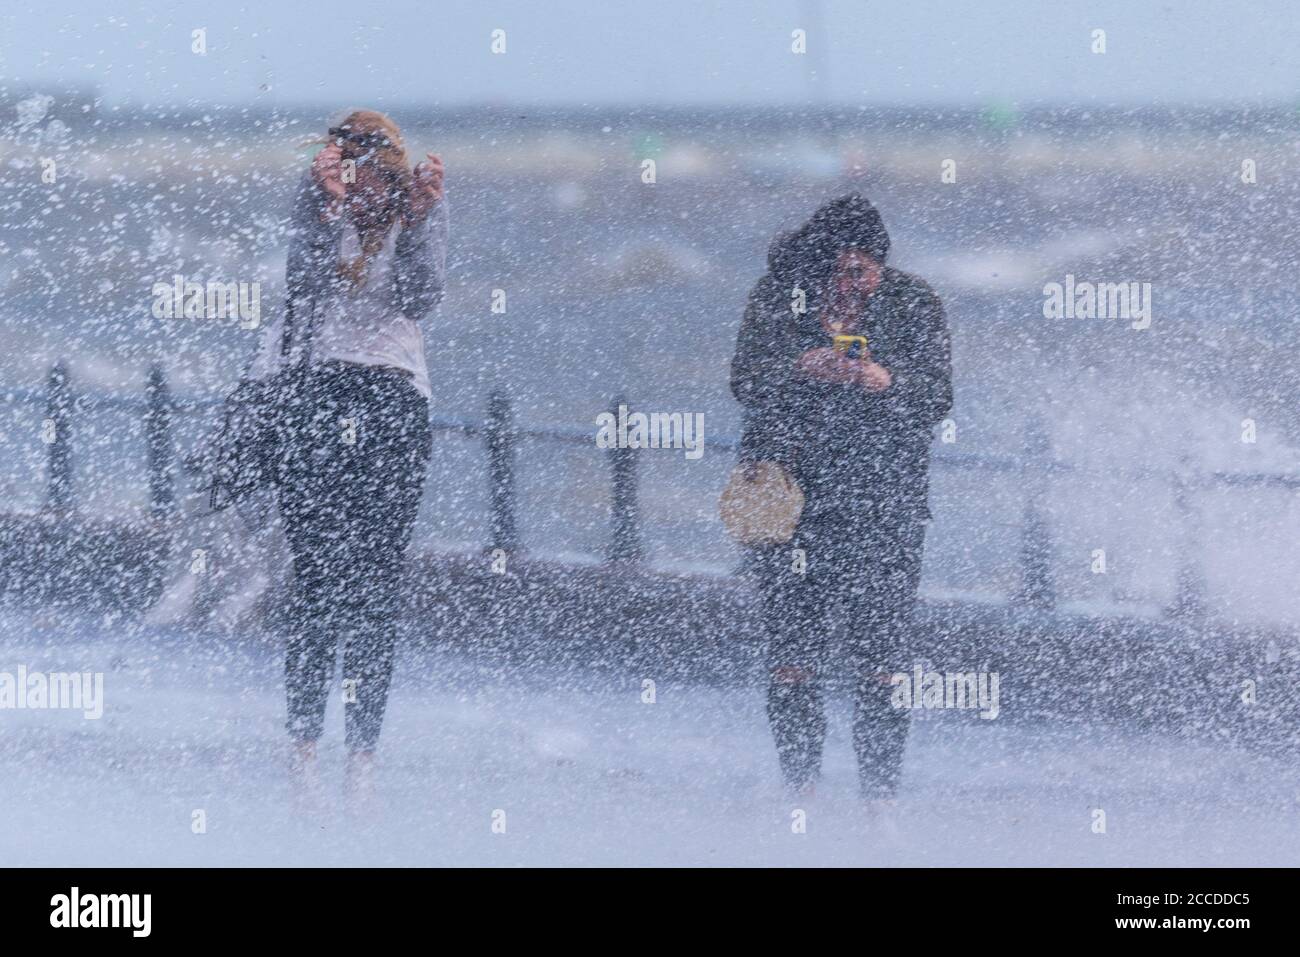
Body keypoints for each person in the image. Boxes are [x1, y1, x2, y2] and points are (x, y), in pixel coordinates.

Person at [247, 109, 447, 803]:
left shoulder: (418, 210)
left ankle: (362, 758)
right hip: (315, 390)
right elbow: (305, 284)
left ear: (391, 173)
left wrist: (419, 221)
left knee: (374, 584)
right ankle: (303, 746)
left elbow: (421, 298)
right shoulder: (315, 206)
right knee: (314, 579)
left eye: (371, 175)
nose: (361, 187)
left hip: (392, 395)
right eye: (347, 173)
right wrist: (330, 212)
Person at [729, 193, 952, 802]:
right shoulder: (780, 298)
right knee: (792, 654)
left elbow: (936, 397)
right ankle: (799, 789)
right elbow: (745, 380)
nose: (847, 284)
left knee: (882, 659)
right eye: (834, 270)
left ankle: (879, 802)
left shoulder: (913, 301)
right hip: (786, 500)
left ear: (880, 267)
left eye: (860, 271)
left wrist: (887, 380)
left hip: (883, 502)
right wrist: (801, 366)